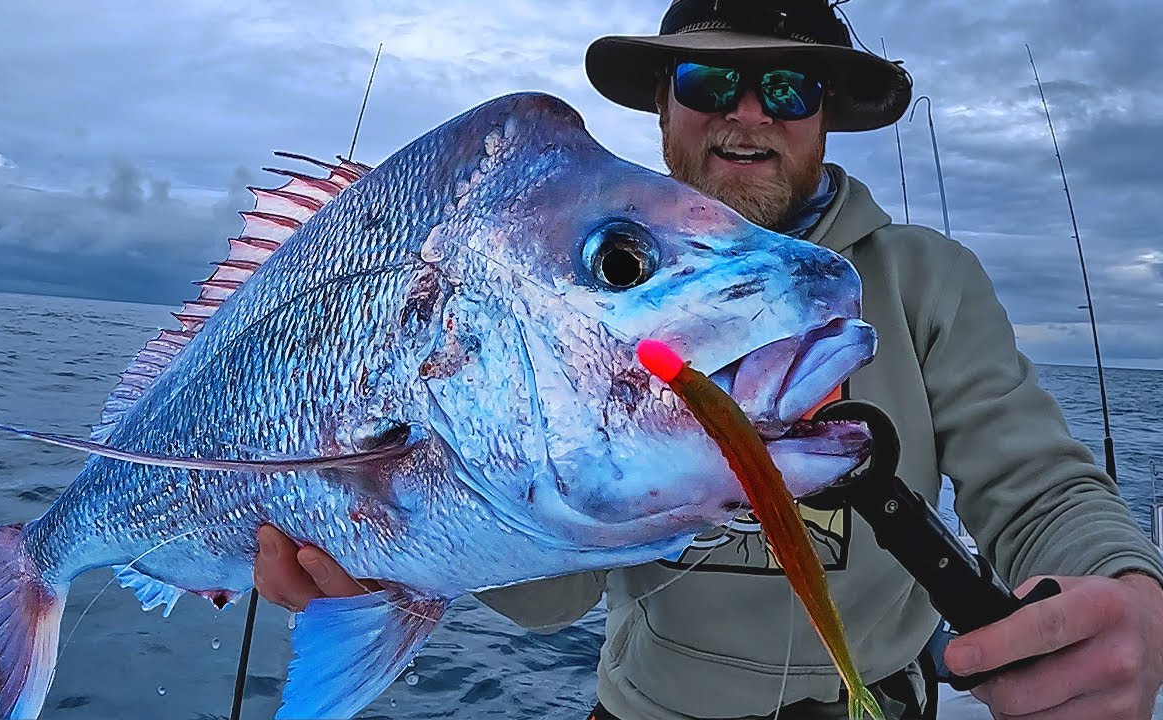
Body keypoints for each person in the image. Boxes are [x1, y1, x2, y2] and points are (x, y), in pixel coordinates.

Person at [253, 1, 1163, 718]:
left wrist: (1126, 590)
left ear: (827, 117)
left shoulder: (928, 278)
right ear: (662, 103)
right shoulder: (552, 293)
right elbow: (552, 601)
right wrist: (408, 548)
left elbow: (1041, 486)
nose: (749, 114)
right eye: (708, 79)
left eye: (792, 89)